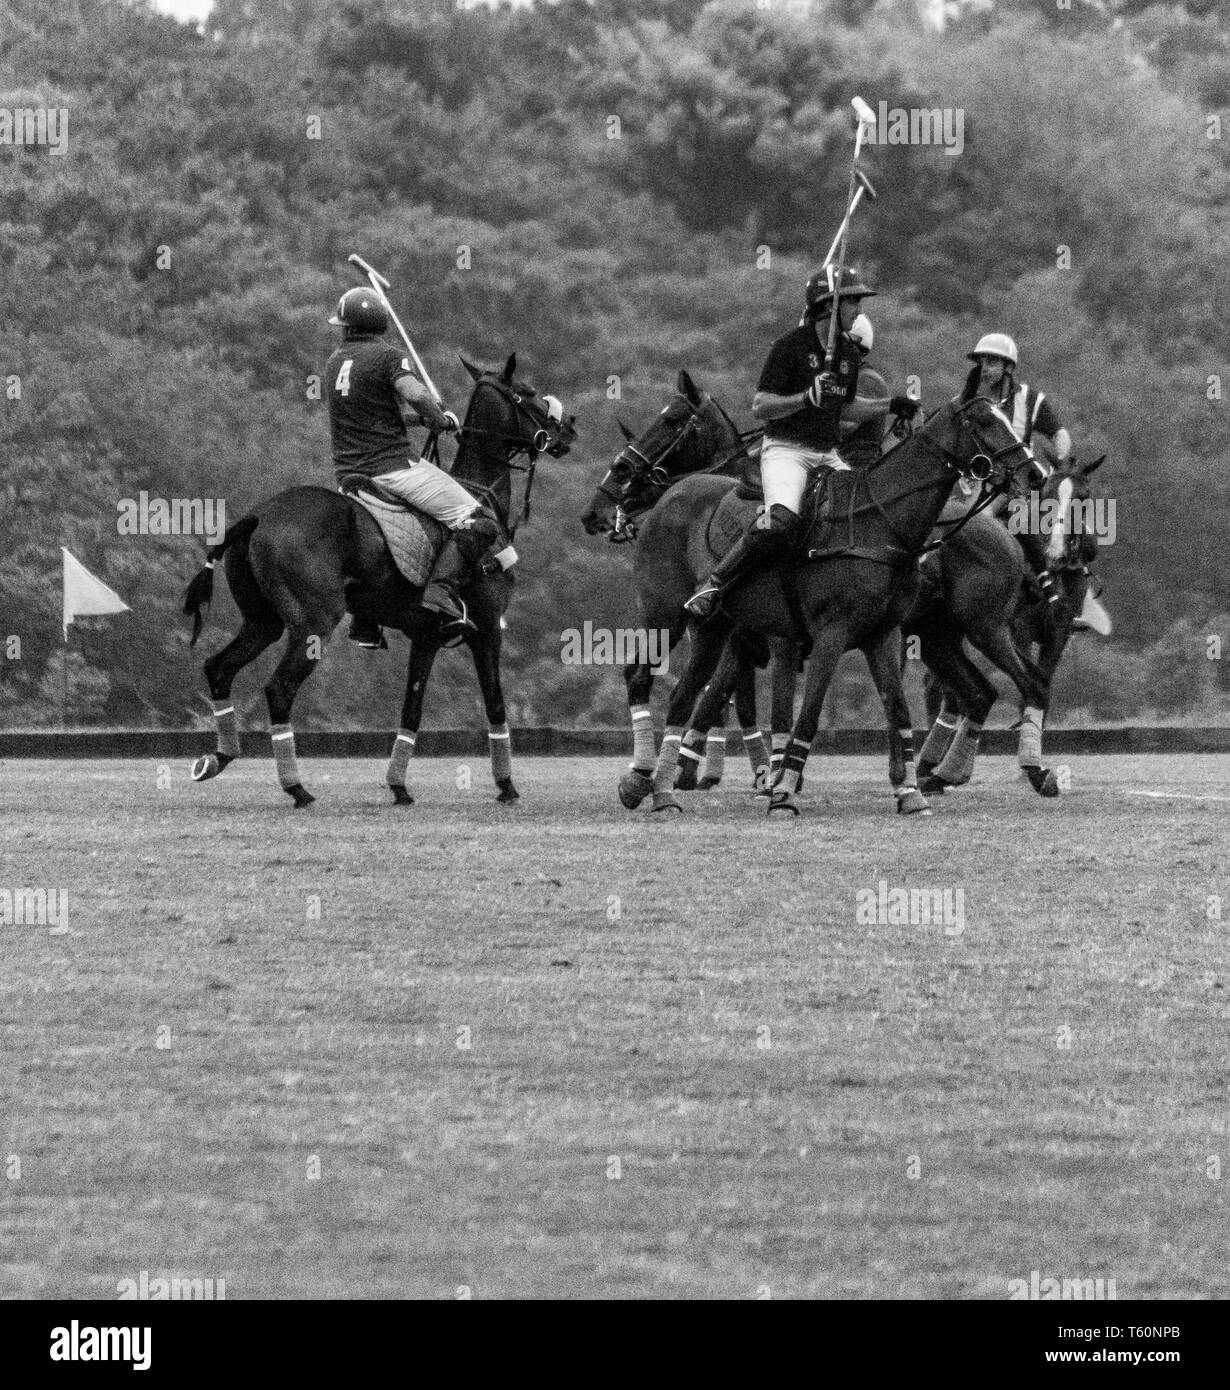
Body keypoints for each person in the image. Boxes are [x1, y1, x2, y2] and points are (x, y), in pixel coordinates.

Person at [684, 267, 915, 621]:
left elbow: (846, 405)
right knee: (781, 518)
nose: (859, 312)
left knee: (865, 508)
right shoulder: (789, 347)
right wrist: (805, 398)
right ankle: (714, 584)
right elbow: (761, 405)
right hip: (786, 451)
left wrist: (889, 405)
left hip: (827, 453)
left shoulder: (847, 357)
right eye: (853, 302)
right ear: (829, 306)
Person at [324, 286, 498, 647]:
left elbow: (374, 416)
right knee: (480, 522)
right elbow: (416, 394)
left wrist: (426, 422)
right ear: (379, 323)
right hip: (393, 468)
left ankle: (365, 620)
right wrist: (437, 417)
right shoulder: (389, 357)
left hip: (348, 474)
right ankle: (440, 591)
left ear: (347, 327)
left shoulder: (334, 363)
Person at [964, 332, 1071, 604]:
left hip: (1020, 484)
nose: (985, 369)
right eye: (983, 363)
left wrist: (1060, 461)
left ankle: (1050, 584)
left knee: (1005, 514)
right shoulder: (973, 403)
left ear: (1008, 368)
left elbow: (1059, 434)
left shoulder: (1031, 400)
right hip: (981, 483)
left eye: (992, 363)